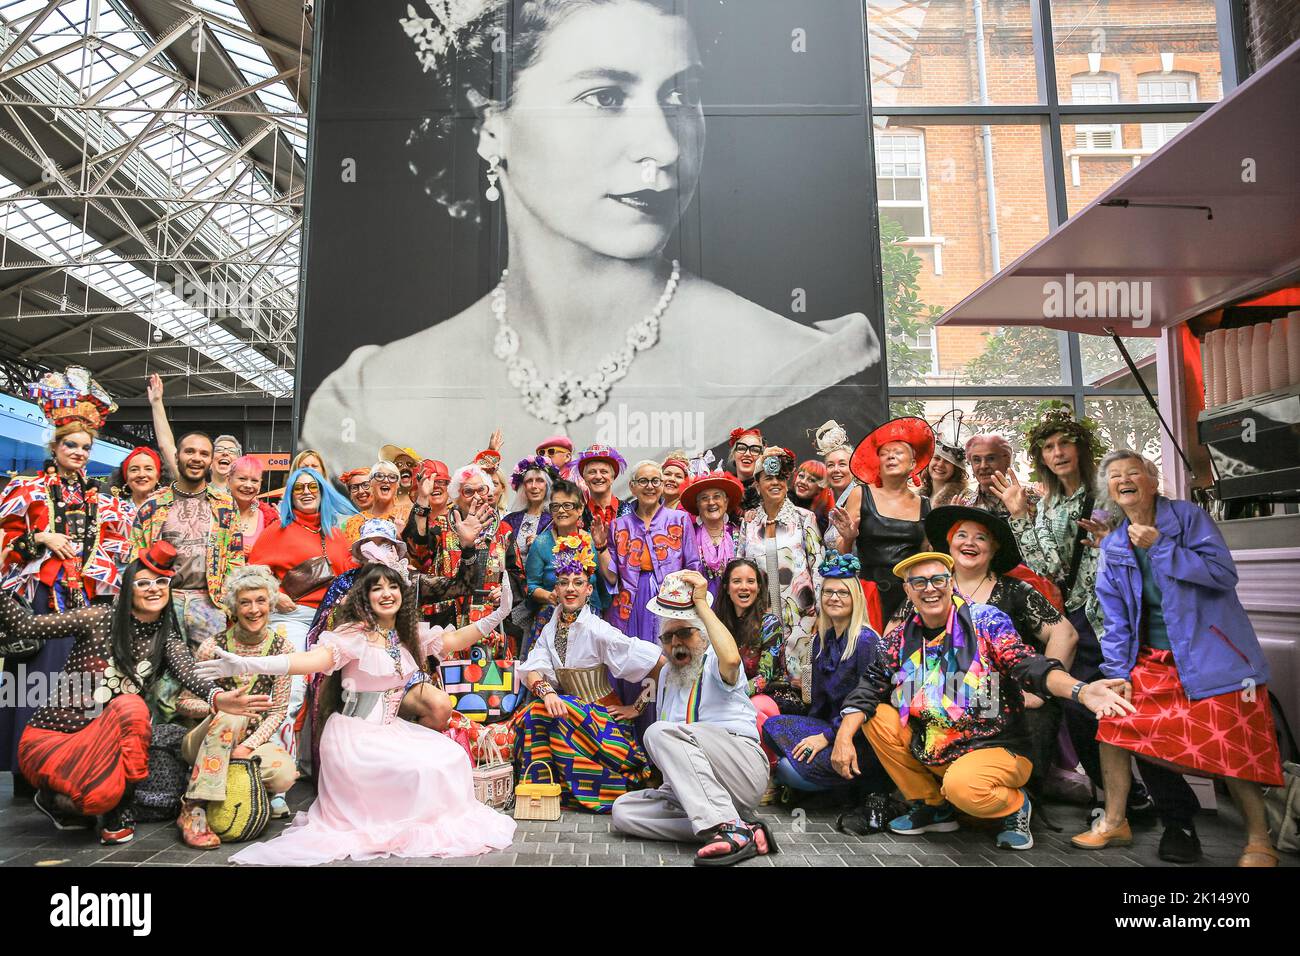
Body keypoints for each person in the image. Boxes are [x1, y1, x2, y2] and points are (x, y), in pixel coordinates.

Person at [301, 0, 879, 470]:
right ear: (491, 125)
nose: (665, 148)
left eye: (678, 95)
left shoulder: (803, 373)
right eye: (605, 97)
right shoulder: (366, 400)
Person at [196, 561, 517, 865]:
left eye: (393, 586)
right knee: (421, 769)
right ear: (366, 596)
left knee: (450, 757)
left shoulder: (406, 637)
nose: (386, 593)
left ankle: (421, 820)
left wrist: (498, 614)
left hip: (391, 731)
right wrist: (247, 663)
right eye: (377, 588)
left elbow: (454, 638)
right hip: (354, 737)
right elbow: (307, 661)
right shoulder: (352, 636)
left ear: (402, 594)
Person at [835, 552, 1135, 852]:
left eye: (938, 579)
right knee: (875, 716)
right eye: (919, 582)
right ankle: (933, 806)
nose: (930, 588)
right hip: (936, 745)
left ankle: (1016, 806)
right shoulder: (900, 638)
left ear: (951, 583)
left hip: (995, 746)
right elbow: (869, 686)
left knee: (962, 787)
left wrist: (1080, 690)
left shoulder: (985, 622)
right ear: (908, 590)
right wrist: (844, 737)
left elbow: (1028, 665)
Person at [1072, 451, 1284, 867]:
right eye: (1115, 476)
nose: (1125, 479)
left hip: (1216, 658)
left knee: (1234, 744)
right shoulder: (1114, 545)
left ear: (1152, 481)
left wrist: (1161, 546)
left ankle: (1260, 841)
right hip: (1153, 660)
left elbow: (1222, 575)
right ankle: (1115, 821)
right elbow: (1115, 618)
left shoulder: (1187, 519)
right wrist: (1117, 673)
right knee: (1113, 721)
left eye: (1134, 472)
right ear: (1110, 491)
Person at [0, 542, 268, 845]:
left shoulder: (165, 638)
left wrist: (218, 698)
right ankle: (109, 805)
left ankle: (72, 801)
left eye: (161, 582)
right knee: (131, 705)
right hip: (51, 740)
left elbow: (190, 673)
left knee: (99, 794)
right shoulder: (98, 617)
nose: (153, 589)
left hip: (103, 745)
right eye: (143, 583)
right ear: (129, 589)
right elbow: (24, 626)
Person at [987, 402, 1138, 814]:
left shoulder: (1106, 495)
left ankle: (1168, 808)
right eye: (1049, 447)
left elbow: (1138, 549)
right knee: (1081, 708)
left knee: (1133, 708)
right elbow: (1048, 566)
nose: (1057, 453)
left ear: (1082, 449)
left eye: (1064, 444)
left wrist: (1114, 542)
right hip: (1078, 618)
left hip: (1117, 618)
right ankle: (1120, 798)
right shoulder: (1051, 505)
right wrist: (1022, 515)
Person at [0, 367, 133, 789]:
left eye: (85, 446)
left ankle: (67, 763)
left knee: (77, 682)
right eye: (71, 444)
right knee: (34, 681)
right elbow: (4, 536)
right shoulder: (27, 489)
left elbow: (118, 548)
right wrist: (39, 537)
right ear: (55, 446)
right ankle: (27, 767)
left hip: (87, 604)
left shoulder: (104, 498)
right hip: (41, 598)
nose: (78, 451)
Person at [611, 570, 776, 866]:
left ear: (703, 635)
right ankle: (741, 828)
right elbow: (678, 753)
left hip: (740, 769)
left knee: (658, 732)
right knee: (623, 811)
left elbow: (733, 659)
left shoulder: (714, 661)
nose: (677, 643)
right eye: (669, 636)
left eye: (685, 633)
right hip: (703, 791)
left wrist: (701, 604)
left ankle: (729, 827)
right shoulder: (666, 677)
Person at [921, 506, 1079, 796]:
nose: (969, 542)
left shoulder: (1014, 591)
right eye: (962, 535)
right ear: (949, 543)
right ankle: (930, 800)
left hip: (1005, 699)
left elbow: (1064, 633)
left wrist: (1038, 690)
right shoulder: (931, 588)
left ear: (993, 549)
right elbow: (895, 637)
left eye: (980, 538)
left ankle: (1015, 805)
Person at [515, 535, 663, 811]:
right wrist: (547, 692)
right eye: (563, 583)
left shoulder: (598, 629)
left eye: (578, 583)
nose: (570, 589)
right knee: (536, 711)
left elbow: (659, 663)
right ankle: (541, 787)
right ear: (555, 589)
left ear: (587, 590)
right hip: (570, 715)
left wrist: (638, 706)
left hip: (603, 721)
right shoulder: (551, 626)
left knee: (539, 710)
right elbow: (532, 668)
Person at [173, 565, 297, 846]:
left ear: (271, 604)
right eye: (245, 602)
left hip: (247, 744)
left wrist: (248, 747)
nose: (254, 610)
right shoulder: (213, 646)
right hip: (203, 739)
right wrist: (217, 707)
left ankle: (224, 787)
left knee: (284, 774)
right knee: (232, 716)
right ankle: (193, 808)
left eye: (260, 601)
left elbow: (277, 710)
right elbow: (183, 702)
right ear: (234, 608)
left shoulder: (283, 650)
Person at [248, 467, 356, 759]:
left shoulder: (335, 533)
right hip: (292, 619)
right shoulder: (276, 531)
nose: (307, 492)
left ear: (322, 492)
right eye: (299, 488)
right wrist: (275, 594)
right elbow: (252, 575)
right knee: (290, 691)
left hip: (331, 623)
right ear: (291, 495)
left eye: (313, 487)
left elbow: (349, 576)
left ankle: (313, 768)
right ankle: (278, 771)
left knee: (330, 696)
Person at [762, 553, 888, 802]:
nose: (834, 598)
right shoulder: (822, 641)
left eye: (842, 592)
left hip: (858, 737)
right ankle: (822, 776)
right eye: (828, 592)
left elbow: (872, 703)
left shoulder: (866, 640)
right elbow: (818, 706)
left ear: (856, 598)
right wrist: (811, 735)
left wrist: (826, 738)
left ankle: (845, 785)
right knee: (772, 726)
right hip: (827, 727)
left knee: (788, 769)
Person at [596, 459, 700, 731]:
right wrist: (600, 547)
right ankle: (631, 741)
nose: (650, 486)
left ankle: (663, 735)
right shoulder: (619, 526)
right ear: (632, 486)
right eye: (643, 481)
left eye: (655, 481)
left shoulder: (679, 520)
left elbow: (692, 565)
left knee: (665, 662)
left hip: (668, 603)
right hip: (628, 603)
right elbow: (611, 577)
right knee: (631, 663)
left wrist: (685, 606)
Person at [131, 430, 245, 652]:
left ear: (211, 461)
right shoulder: (152, 507)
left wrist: (226, 604)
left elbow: (235, 557)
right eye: (189, 451)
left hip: (209, 604)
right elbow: (135, 557)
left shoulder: (225, 505)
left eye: (204, 453)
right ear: (177, 457)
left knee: (207, 674)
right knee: (159, 675)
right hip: (162, 601)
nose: (196, 458)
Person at [830, 417, 934, 625]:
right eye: (884, 454)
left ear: (913, 463)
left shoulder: (924, 504)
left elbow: (926, 555)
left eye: (898, 452)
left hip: (910, 595)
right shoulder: (861, 494)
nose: (890, 457)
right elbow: (842, 556)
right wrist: (848, 538)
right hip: (869, 594)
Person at [405, 462, 511, 645]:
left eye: (482, 490)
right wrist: (423, 499)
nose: (476, 496)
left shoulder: (504, 530)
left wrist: (504, 591)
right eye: (468, 492)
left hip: (490, 625)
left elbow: (517, 575)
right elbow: (418, 549)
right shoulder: (441, 526)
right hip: (445, 623)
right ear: (457, 497)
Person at [739, 447, 823, 659]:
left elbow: (818, 567)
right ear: (757, 485)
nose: (775, 483)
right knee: (764, 678)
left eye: (780, 478)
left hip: (802, 618)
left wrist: (822, 615)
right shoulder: (748, 524)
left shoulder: (805, 518)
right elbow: (740, 570)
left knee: (801, 681)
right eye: (768, 478)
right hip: (759, 618)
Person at [526, 480, 603, 650]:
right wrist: (548, 596)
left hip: (589, 618)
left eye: (567, 505)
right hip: (551, 618)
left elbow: (605, 582)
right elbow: (531, 586)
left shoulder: (592, 541)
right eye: (555, 506)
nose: (561, 511)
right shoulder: (541, 543)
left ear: (580, 508)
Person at [713, 557, 790, 721]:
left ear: (758, 587)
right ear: (727, 587)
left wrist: (726, 695)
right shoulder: (718, 625)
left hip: (769, 697)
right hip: (730, 698)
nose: (744, 587)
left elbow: (764, 678)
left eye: (750, 581)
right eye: (737, 581)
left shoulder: (769, 624)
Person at [499, 456, 557, 650]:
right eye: (529, 481)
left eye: (539, 480)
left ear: (548, 485)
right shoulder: (510, 519)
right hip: (514, 594)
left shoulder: (556, 519)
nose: (534, 486)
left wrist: (541, 547)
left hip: (544, 592)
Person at [678, 469, 744, 600]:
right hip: (699, 607)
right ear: (697, 505)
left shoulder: (740, 533)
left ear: (726, 502)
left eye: (717, 496)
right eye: (704, 498)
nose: (711, 502)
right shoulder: (687, 536)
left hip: (734, 606)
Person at [960, 432, 1040, 518]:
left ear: (1007, 461)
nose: (983, 466)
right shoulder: (963, 504)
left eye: (991, 458)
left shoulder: (1029, 499)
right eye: (977, 460)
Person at [812, 420, 860, 555]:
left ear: (853, 468)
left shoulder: (860, 496)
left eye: (842, 464)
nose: (836, 470)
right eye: (831, 465)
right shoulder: (832, 500)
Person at [342, 460, 411, 541]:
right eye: (379, 476)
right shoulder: (353, 523)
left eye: (392, 477)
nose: (386, 480)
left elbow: (420, 551)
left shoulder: (408, 515)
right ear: (371, 483)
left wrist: (399, 536)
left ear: (398, 485)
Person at [229, 455, 277, 553]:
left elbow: (276, 555)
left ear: (259, 485)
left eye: (254, 481)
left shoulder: (269, 518)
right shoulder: (214, 512)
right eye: (242, 479)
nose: (248, 485)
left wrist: (257, 553)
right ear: (228, 480)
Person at [576, 443, 631, 527]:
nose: (598, 476)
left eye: (604, 472)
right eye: (592, 472)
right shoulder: (577, 517)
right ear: (584, 479)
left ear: (612, 477)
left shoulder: (632, 511)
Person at [920, 433, 969, 508]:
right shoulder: (916, 497)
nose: (940, 464)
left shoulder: (964, 499)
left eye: (947, 461)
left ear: (955, 468)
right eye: (937, 458)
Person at [113, 446, 164, 511]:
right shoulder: (114, 509)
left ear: (158, 475)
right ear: (126, 476)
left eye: (148, 469)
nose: (141, 474)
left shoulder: (171, 507)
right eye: (134, 470)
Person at [727, 427, 764, 512]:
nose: (747, 454)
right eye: (742, 448)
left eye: (754, 450)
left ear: (761, 457)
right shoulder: (724, 489)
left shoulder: (767, 490)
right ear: (733, 455)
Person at [792, 459, 832, 533]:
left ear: (820, 489)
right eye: (801, 476)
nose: (803, 482)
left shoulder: (823, 523)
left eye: (811, 480)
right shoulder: (781, 501)